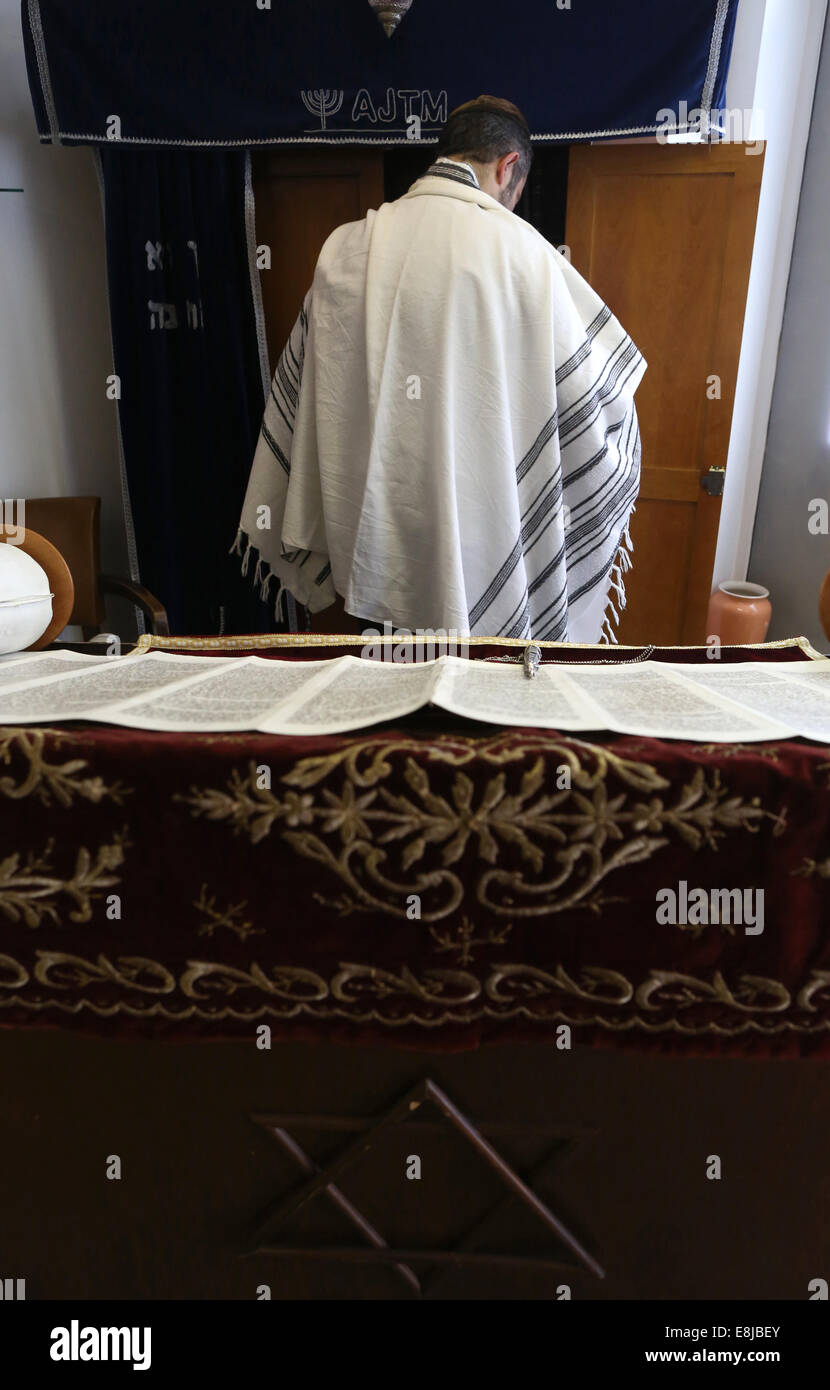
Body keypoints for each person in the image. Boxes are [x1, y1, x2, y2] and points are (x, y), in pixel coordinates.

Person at [234, 95, 646, 642]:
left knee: (384, 694)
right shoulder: (527, 256)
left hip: (374, 536)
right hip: (485, 535)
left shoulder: (344, 249)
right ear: (508, 168)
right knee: (477, 706)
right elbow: (597, 401)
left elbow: (311, 401)